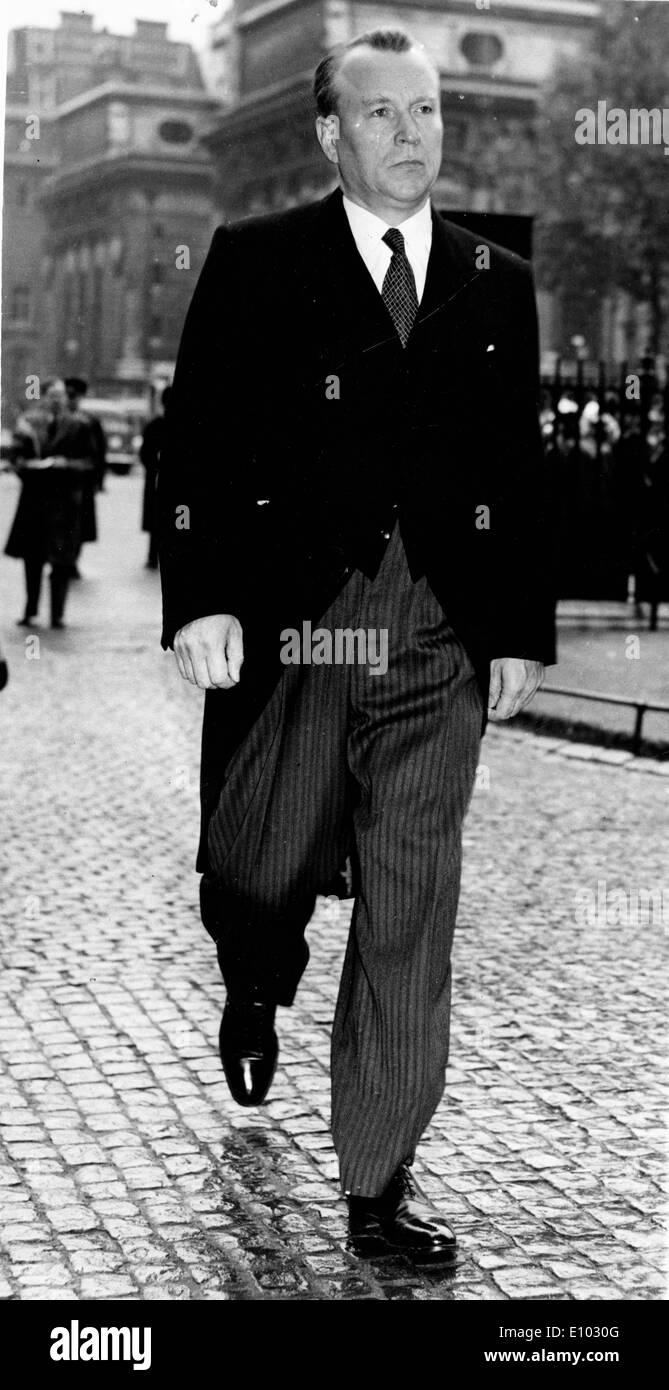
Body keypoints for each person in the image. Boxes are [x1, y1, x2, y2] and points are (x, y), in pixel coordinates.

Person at [157, 29, 556, 1265]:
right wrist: (201, 599)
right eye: (380, 115)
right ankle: (255, 967)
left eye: (427, 112)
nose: (410, 135)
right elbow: (198, 446)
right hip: (303, 628)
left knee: (411, 898)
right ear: (330, 135)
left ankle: (379, 1180)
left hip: (439, 636)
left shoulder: (498, 276)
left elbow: (515, 465)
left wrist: (521, 626)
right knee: (264, 861)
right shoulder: (258, 260)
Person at [5, 378, 97, 628]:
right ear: (43, 397)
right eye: (51, 395)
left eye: (60, 395)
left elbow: (90, 461)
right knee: (32, 559)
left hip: (64, 503)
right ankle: (30, 609)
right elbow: (15, 458)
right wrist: (26, 466)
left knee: (61, 562)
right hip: (34, 501)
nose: (56, 399)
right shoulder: (29, 424)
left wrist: (66, 464)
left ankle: (57, 614)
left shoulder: (80, 426)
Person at [63, 376, 107, 577]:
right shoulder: (57, 419)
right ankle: (64, 560)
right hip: (62, 482)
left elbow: (99, 454)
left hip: (82, 482)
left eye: (73, 395)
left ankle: (71, 560)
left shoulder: (89, 422)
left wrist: (98, 480)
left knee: (79, 526)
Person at [140, 386, 172, 569]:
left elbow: (145, 454)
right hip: (158, 477)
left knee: (156, 521)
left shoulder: (154, 426)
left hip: (156, 478)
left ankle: (153, 555)